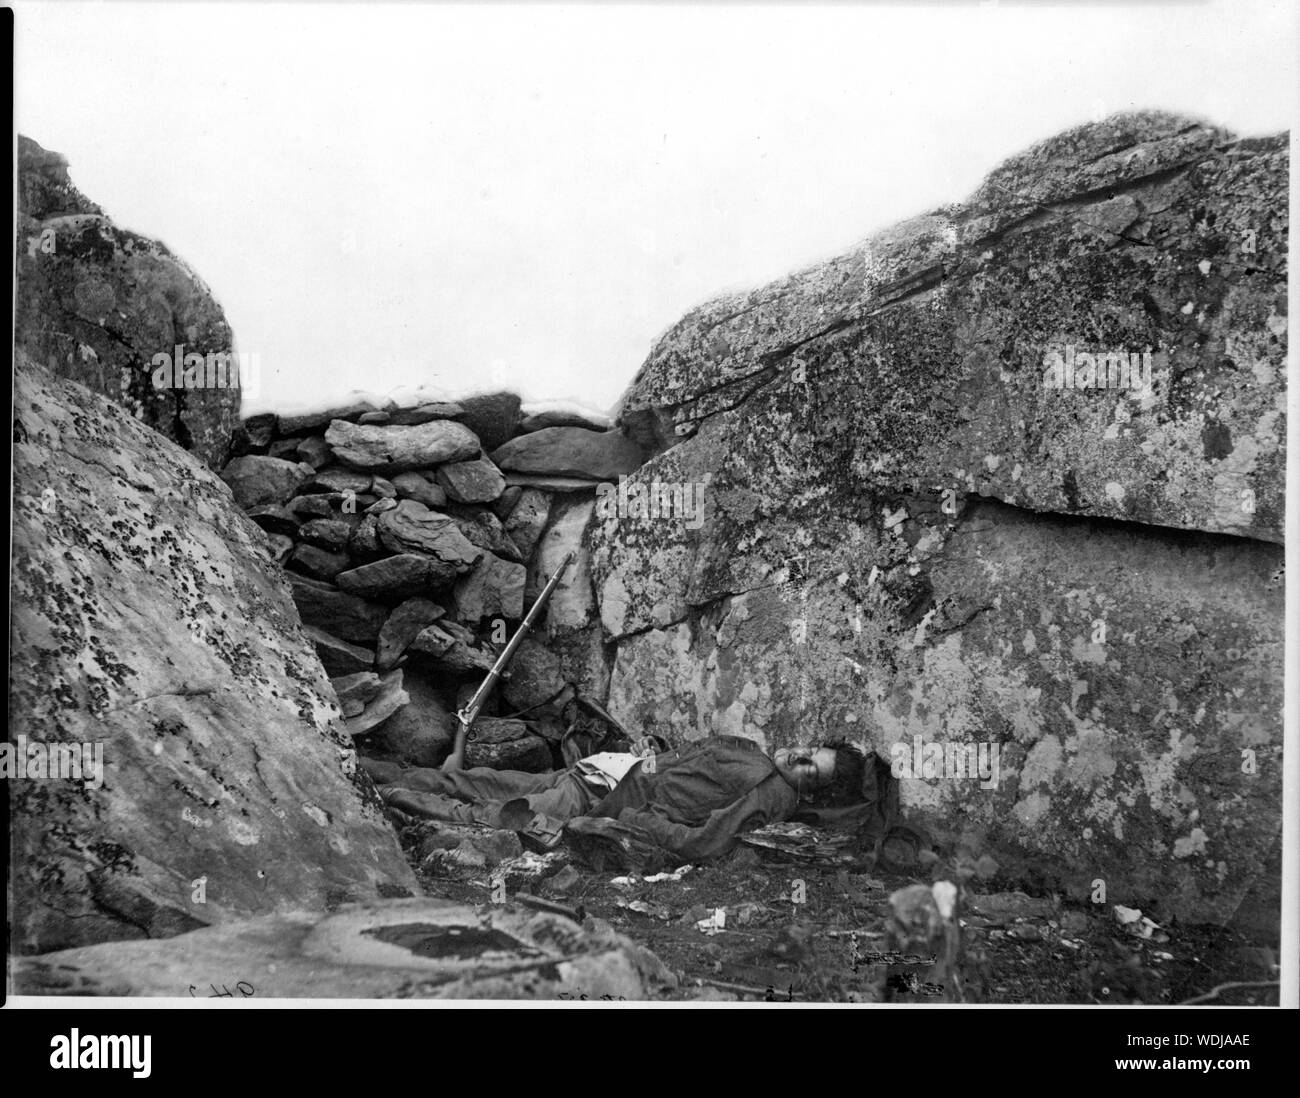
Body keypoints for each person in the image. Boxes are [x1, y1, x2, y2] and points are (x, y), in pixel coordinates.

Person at [366, 734, 868, 867]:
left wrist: (639, 820)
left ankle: (376, 794)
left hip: (597, 799)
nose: (799, 755)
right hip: (600, 772)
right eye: (810, 749)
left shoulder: (768, 792)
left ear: (809, 788)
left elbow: (705, 844)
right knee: (477, 779)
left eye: (810, 767)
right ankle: (355, 764)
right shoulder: (760, 758)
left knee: (480, 810)